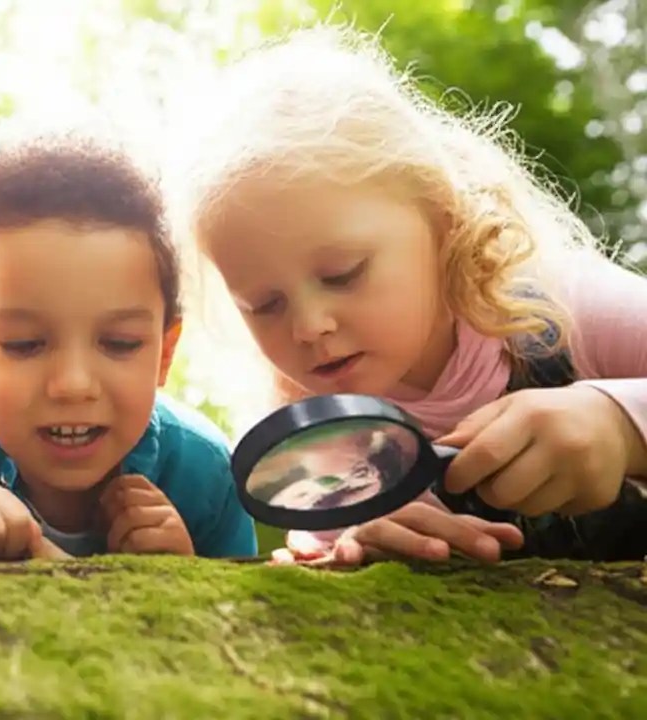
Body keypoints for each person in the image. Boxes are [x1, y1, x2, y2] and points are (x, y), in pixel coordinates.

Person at [183, 25, 647, 564]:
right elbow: (326, 553)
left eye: (343, 273)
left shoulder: (560, 307)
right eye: (265, 305)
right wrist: (359, 543)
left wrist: (622, 424)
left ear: (443, 223)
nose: (309, 326)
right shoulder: (319, 436)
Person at [0, 122, 257, 562]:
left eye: (120, 343)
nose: (73, 384)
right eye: (25, 344)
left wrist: (188, 577)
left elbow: (248, 620)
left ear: (166, 352)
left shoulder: (205, 473)